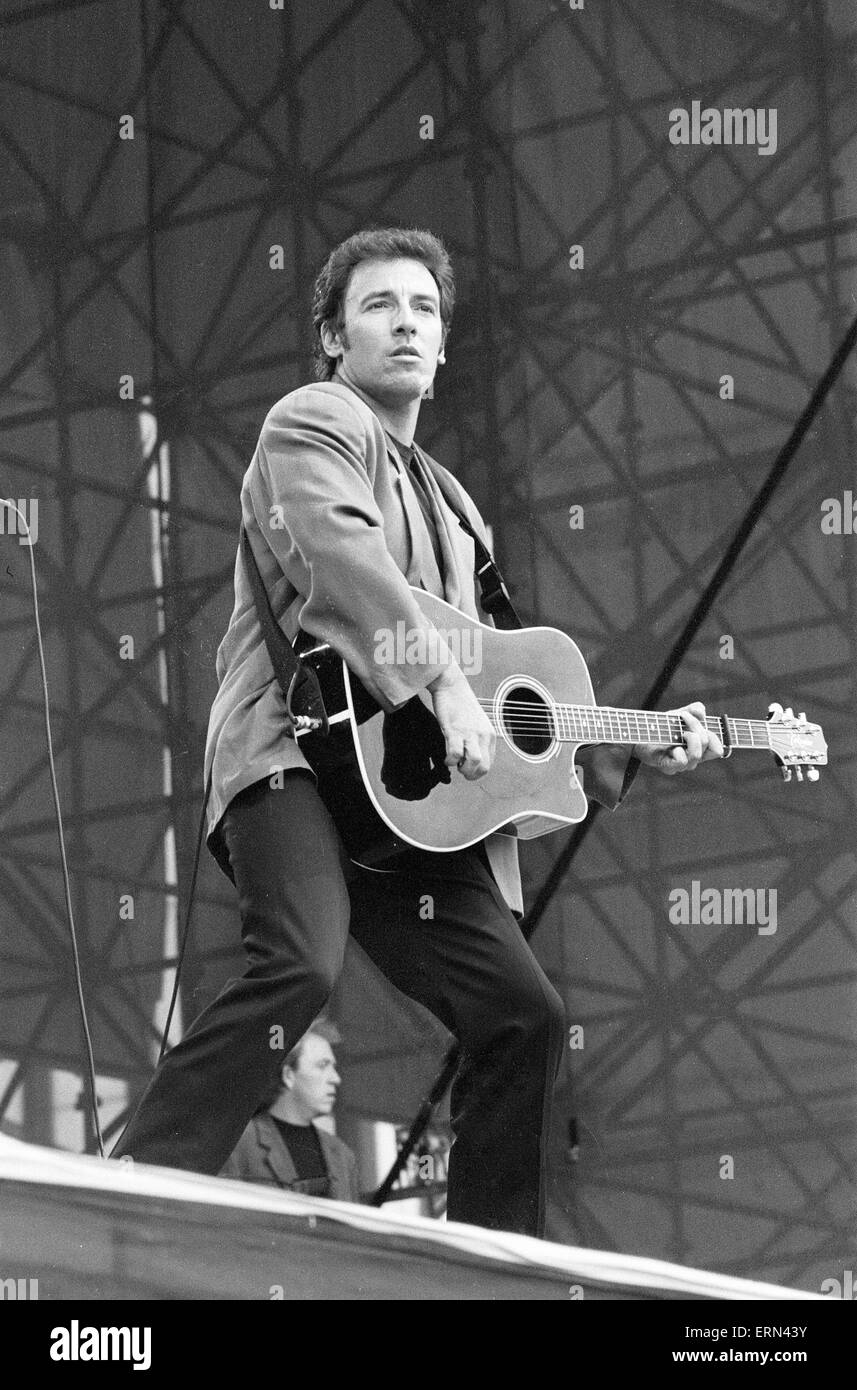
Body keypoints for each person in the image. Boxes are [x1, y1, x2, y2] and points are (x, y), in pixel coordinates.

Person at [112, 226, 723, 1236]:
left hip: (411, 816)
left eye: (423, 310)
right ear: (331, 339)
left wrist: (630, 744)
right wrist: (435, 683)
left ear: (440, 351)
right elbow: (335, 553)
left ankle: (491, 1257)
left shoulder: (458, 509)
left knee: (524, 1016)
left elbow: (509, 692)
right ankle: (135, 1183)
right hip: (297, 760)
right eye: (377, 306)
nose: (404, 323)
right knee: (299, 966)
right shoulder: (311, 423)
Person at [220, 1019, 360, 1202]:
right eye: (323, 1065)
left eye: (333, 1067)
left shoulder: (343, 1156)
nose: (336, 1078)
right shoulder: (237, 1144)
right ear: (288, 1075)